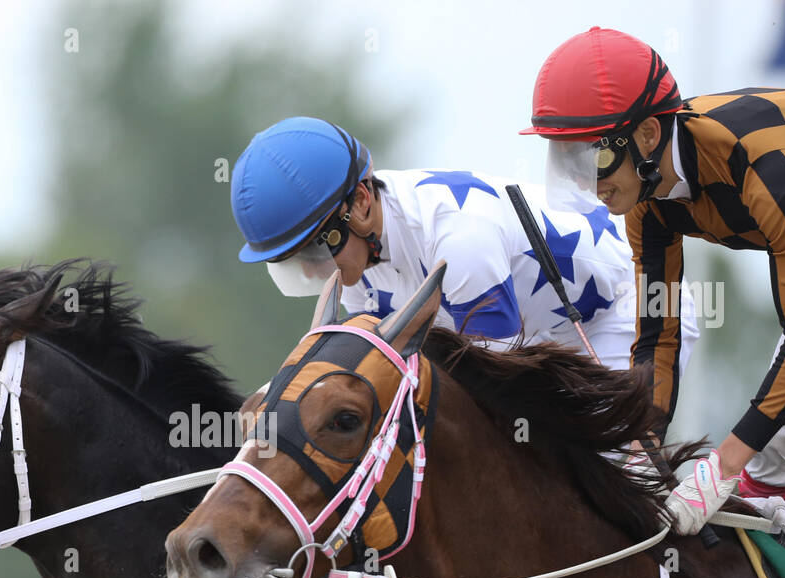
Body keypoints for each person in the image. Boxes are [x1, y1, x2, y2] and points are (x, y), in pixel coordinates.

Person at [523, 25, 785, 534]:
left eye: (592, 158)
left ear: (647, 135)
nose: (589, 185)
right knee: (774, 455)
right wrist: (641, 446)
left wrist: (721, 466)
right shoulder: (645, 204)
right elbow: (656, 340)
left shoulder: (767, 170)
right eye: (568, 160)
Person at [230, 116, 700, 384]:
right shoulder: (357, 256)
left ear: (361, 202)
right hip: (534, 339)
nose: (312, 275)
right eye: (291, 263)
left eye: (312, 253)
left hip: (627, 313)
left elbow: (494, 389)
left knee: (589, 483)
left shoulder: (458, 238)